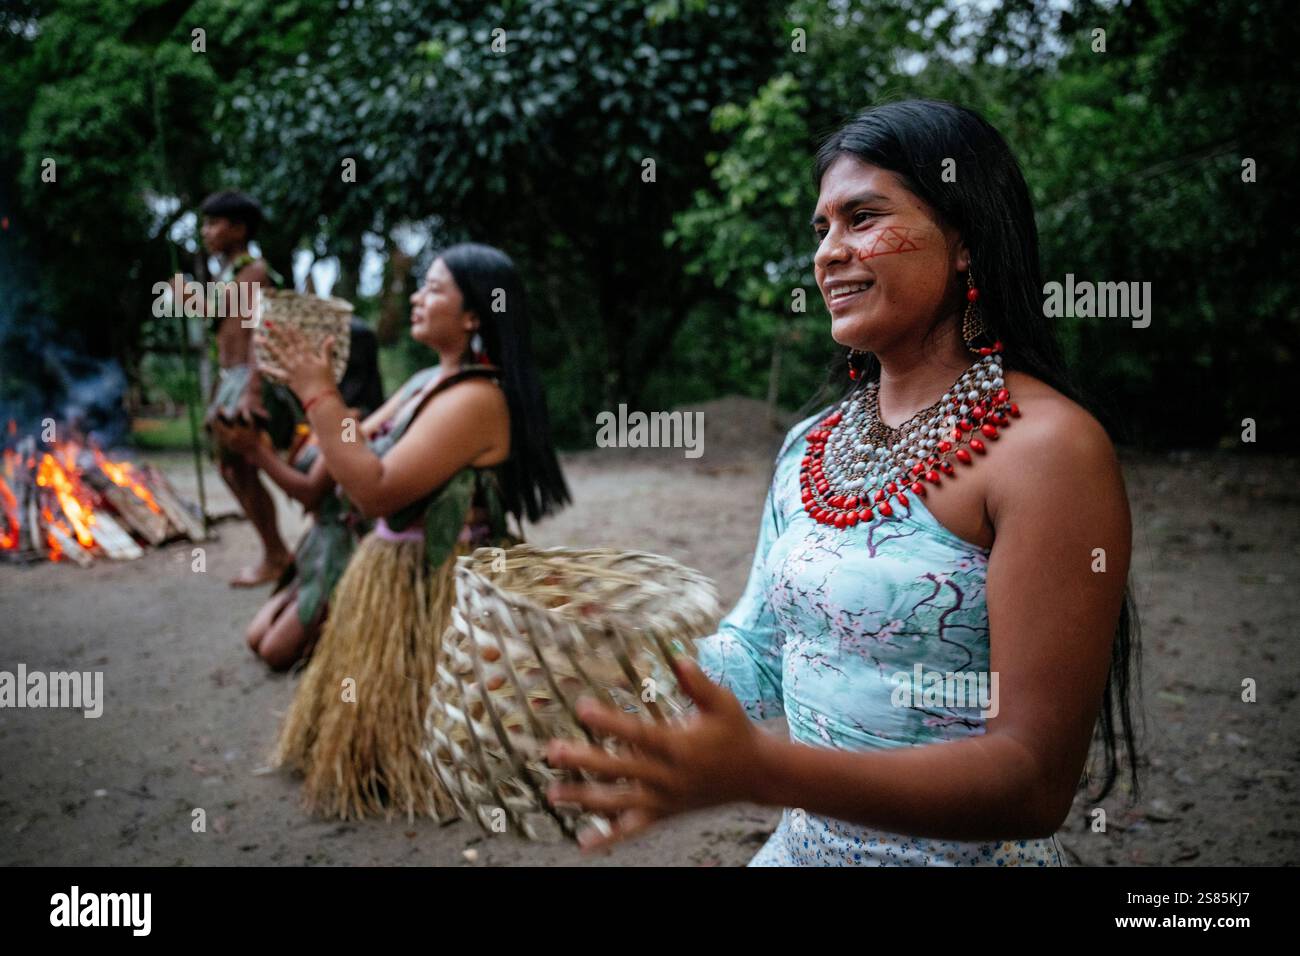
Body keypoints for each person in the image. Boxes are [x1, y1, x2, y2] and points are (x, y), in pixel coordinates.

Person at [544, 99, 1140, 866]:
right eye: (821, 229)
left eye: (862, 218)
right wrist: (610, 669)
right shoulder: (808, 446)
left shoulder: (1048, 450)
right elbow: (756, 657)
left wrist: (767, 773)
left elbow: (1031, 782)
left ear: (965, 240)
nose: (828, 252)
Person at [259, 242, 571, 820]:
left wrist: (319, 395)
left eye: (434, 288)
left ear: (474, 314)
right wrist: (311, 392)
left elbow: (375, 488)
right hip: (395, 568)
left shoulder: (477, 397)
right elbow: (348, 453)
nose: (417, 298)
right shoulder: (427, 382)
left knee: (448, 737)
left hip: (441, 578)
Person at [216, 322, 388, 671]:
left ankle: (357, 626)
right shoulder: (321, 415)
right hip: (317, 546)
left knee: (274, 652)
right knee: (256, 637)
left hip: (343, 550)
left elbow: (309, 492)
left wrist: (257, 452)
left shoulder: (350, 422)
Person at [196, 189, 297, 588]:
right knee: (232, 468)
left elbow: (262, 333)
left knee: (243, 465)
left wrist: (252, 390)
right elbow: (220, 320)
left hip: (246, 381)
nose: (206, 231)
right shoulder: (232, 273)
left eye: (214, 223)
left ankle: (276, 554)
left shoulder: (255, 272)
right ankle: (274, 551)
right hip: (230, 381)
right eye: (205, 223)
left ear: (239, 229)